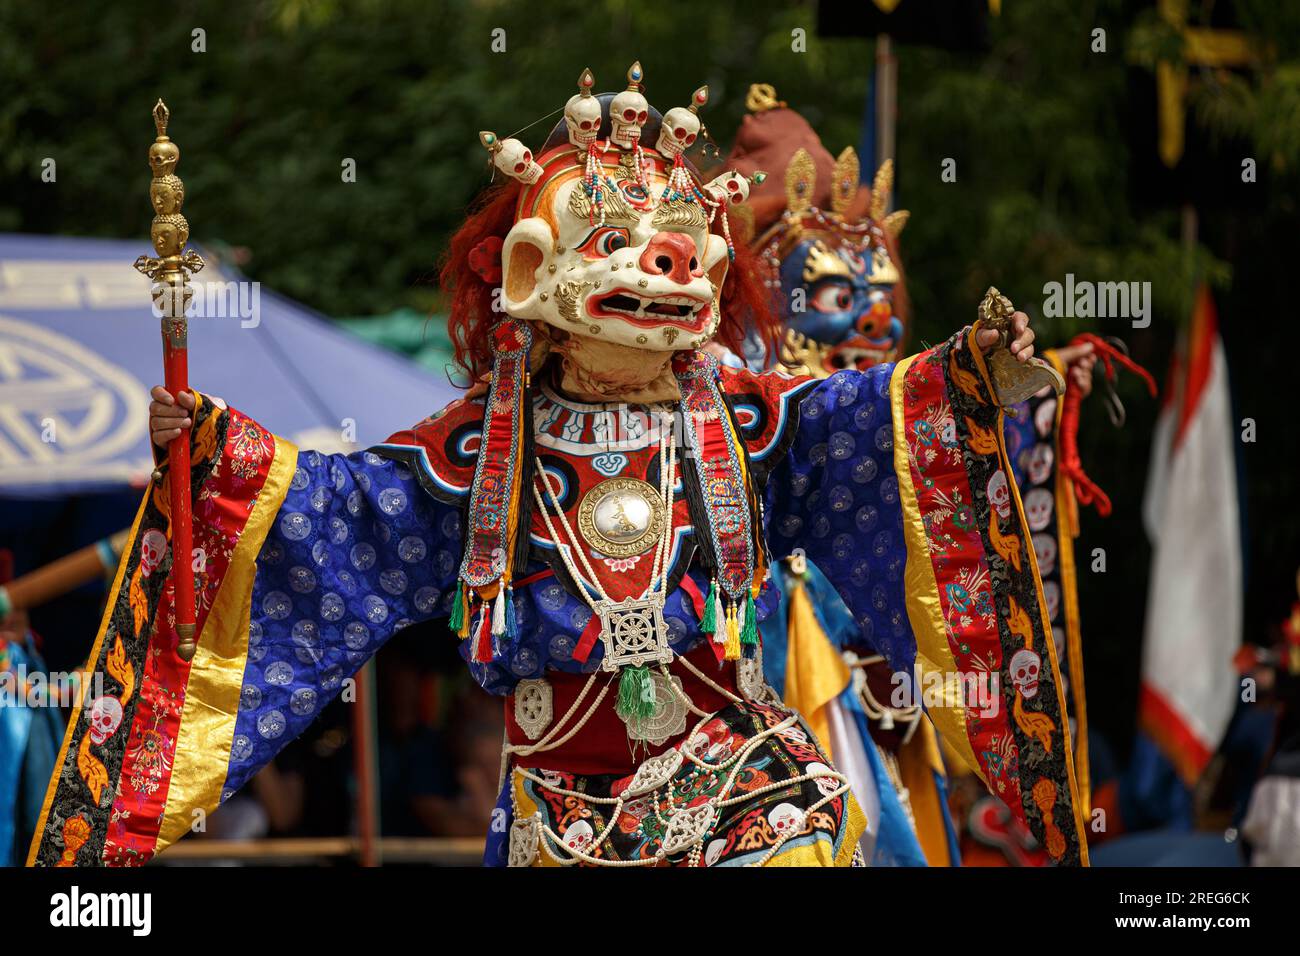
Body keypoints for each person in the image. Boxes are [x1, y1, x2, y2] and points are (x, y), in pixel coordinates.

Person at [29, 63, 1083, 868]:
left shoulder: (741, 415)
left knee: (808, 836)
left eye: (678, 244)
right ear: (530, 277)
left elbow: (850, 422)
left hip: (728, 754)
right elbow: (346, 507)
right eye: (617, 240)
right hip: (561, 797)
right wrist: (216, 449)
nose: (659, 266)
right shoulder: (483, 442)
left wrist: (963, 377)